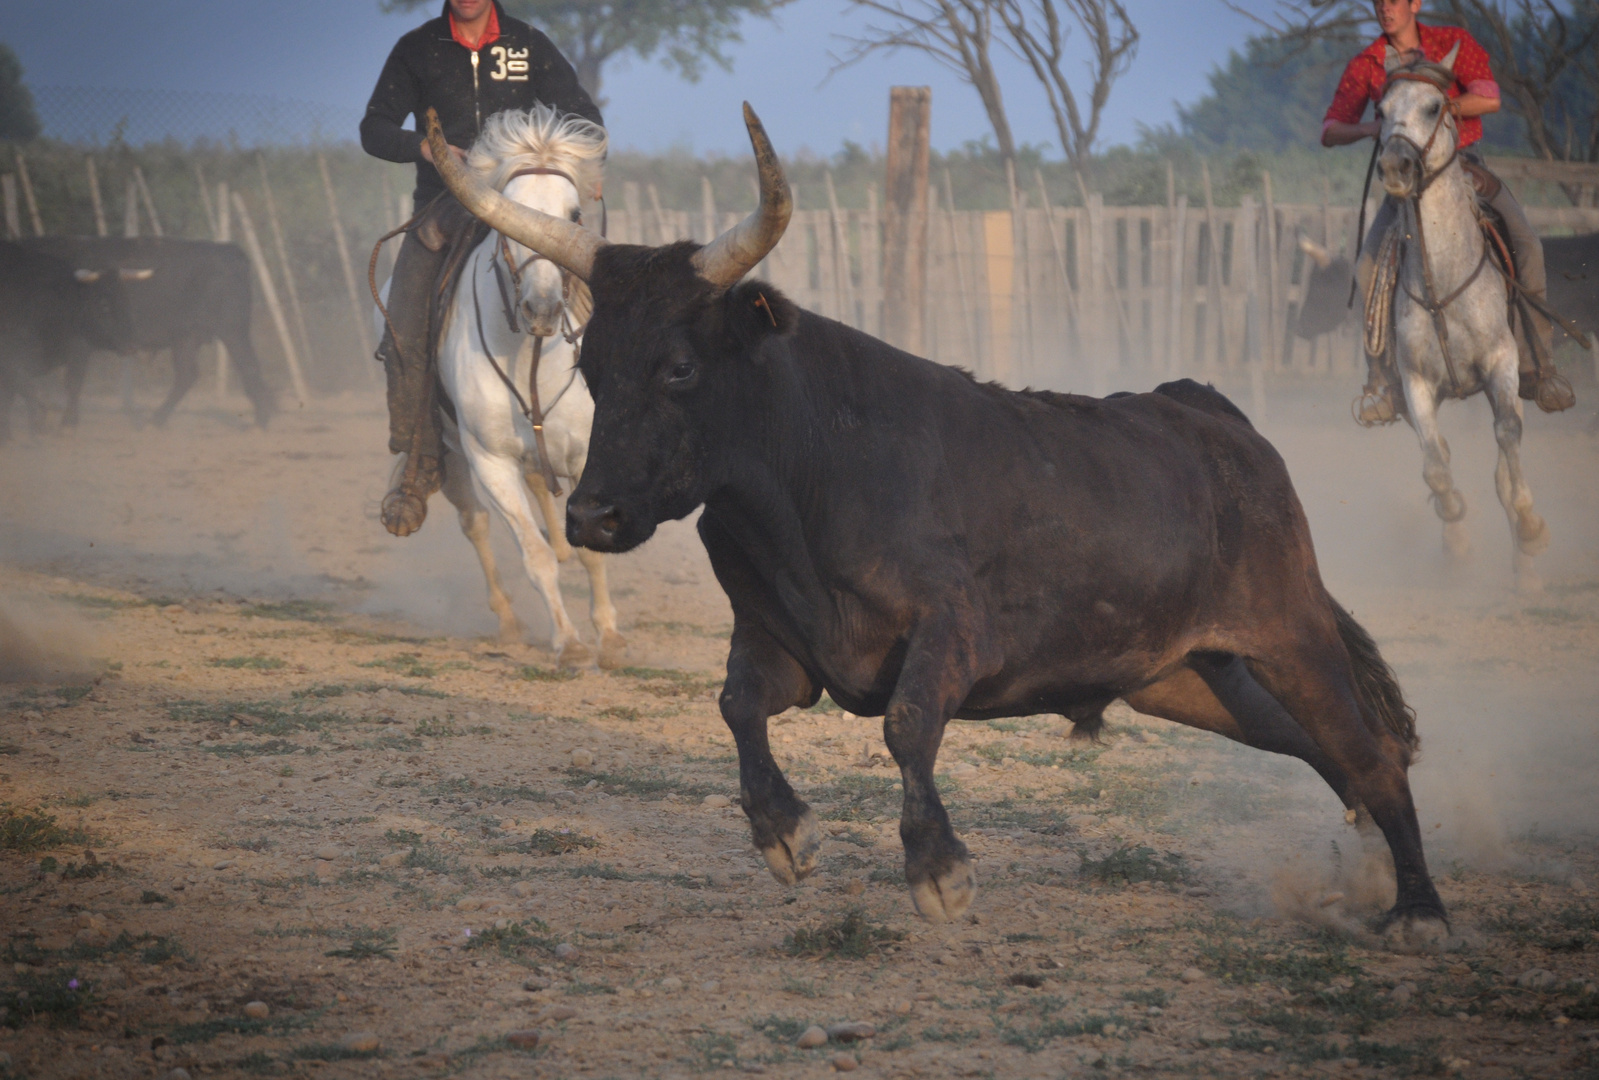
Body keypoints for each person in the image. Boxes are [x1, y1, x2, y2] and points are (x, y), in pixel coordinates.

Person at [361, 0, 603, 536]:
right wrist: (426, 147)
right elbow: (373, 129)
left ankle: (622, 437)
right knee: (403, 328)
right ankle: (419, 463)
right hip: (445, 208)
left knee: (615, 301)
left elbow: (584, 116)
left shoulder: (528, 43)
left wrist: (583, 164)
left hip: (529, 208)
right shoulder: (418, 48)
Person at [1322, 0, 1569, 425]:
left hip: (1463, 166)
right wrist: (1371, 127)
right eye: (1379, 2)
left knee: (1527, 244)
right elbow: (1329, 129)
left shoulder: (1454, 43)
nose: (1386, 8)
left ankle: (1537, 367)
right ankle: (1383, 382)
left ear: (1415, 4)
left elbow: (1489, 98)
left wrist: (1437, 109)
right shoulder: (1367, 64)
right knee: (1365, 269)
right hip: (1403, 179)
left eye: (1395, 1)